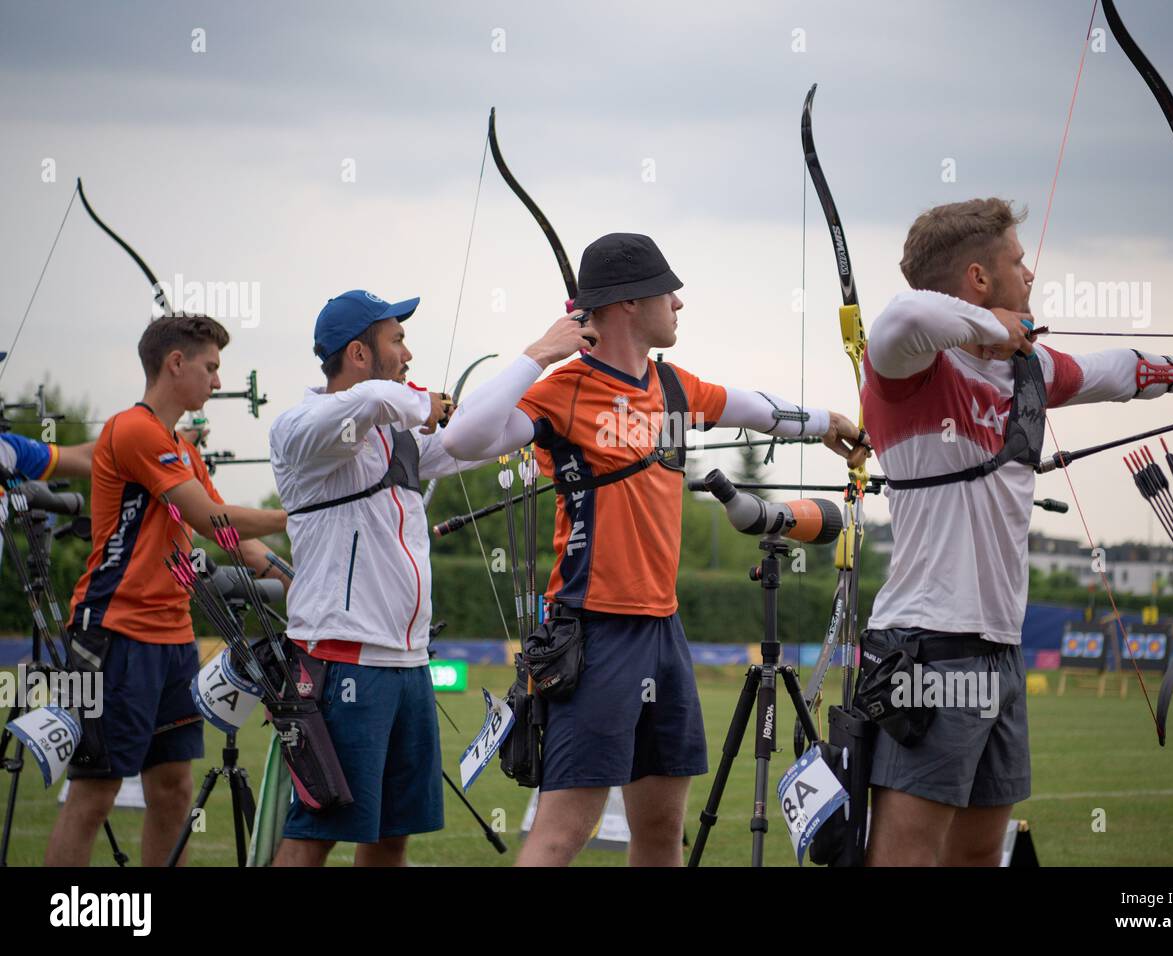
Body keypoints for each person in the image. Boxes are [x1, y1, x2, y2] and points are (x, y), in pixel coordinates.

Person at [440, 232, 869, 866]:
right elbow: (462, 440)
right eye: (669, 290)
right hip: (593, 632)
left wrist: (827, 421)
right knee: (563, 831)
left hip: (663, 633)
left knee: (664, 830)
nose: (679, 303)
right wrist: (539, 354)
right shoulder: (566, 390)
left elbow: (754, 409)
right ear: (629, 303)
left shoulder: (673, 388)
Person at [858, 198, 1173, 866]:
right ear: (978, 279)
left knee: (980, 853)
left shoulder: (1025, 372)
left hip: (1000, 647)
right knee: (907, 855)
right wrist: (990, 326)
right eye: (1016, 261)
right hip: (929, 643)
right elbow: (903, 313)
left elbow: (1117, 371)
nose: (1029, 273)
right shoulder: (910, 371)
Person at [45, 314, 289, 867]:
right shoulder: (133, 430)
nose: (218, 381)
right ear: (175, 363)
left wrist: (294, 578)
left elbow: (231, 537)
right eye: (211, 367)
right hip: (113, 634)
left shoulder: (183, 447)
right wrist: (292, 514)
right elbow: (209, 518)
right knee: (94, 793)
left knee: (175, 788)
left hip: (173, 638)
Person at [268, 289, 486, 867]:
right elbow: (373, 401)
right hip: (342, 658)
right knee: (318, 828)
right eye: (397, 340)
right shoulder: (302, 426)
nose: (408, 352)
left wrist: (541, 362)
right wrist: (420, 401)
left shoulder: (392, 430)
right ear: (359, 353)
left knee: (393, 834)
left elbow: (481, 438)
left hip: (407, 661)